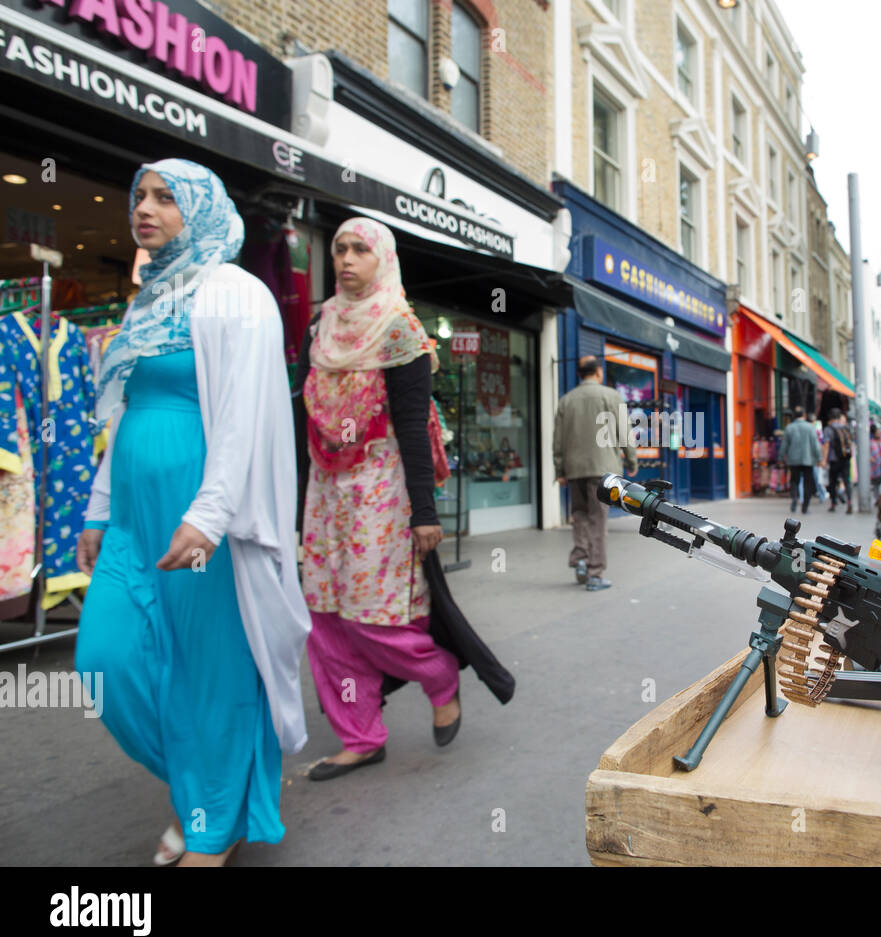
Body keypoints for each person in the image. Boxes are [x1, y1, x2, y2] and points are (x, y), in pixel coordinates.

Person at [75, 159, 310, 866]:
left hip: (204, 513)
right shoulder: (147, 299)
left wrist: (209, 515)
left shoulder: (235, 293)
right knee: (105, 662)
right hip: (131, 517)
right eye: (139, 195)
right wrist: (97, 505)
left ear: (203, 210)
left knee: (211, 669)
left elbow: (243, 417)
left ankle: (211, 818)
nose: (145, 208)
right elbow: (125, 414)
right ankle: (198, 788)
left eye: (166, 198)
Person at [294, 218, 512, 781]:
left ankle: (439, 674)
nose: (346, 258)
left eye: (360, 249)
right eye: (339, 248)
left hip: (380, 491)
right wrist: (298, 510)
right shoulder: (321, 325)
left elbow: (413, 426)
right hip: (325, 492)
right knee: (324, 618)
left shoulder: (399, 329)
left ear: (383, 259)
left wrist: (425, 513)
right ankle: (359, 735)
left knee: (374, 618)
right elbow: (306, 420)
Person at [553, 355, 637, 591]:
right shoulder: (611, 396)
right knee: (598, 520)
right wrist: (632, 460)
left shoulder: (566, 400)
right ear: (598, 372)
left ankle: (580, 559)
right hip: (603, 469)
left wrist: (559, 469)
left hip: (574, 468)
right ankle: (595, 574)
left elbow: (557, 439)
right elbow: (624, 433)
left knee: (579, 514)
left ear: (580, 375)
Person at [780, 406, 820, 514]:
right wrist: (819, 457)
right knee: (808, 483)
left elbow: (784, 445)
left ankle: (794, 498)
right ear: (804, 415)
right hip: (808, 460)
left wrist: (780, 457)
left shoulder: (789, 427)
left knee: (794, 481)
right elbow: (815, 445)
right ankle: (805, 506)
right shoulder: (810, 427)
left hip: (793, 459)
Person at [821, 408, 854, 513]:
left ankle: (833, 503)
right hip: (845, 458)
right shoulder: (846, 428)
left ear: (830, 417)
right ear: (840, 417)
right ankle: (849, 502)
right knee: (846, 481)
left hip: (834, 459)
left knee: (833, 482)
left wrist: (824, 460)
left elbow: (826, 445)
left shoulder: (828, 429)